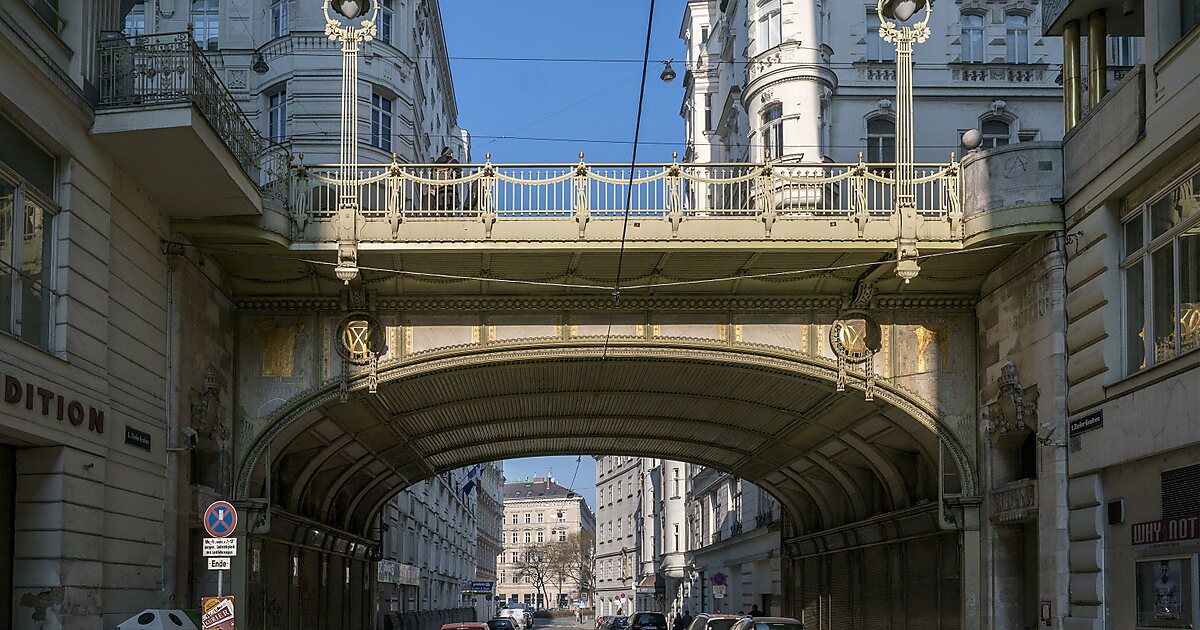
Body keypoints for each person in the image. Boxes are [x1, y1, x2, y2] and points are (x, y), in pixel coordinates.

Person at [431, 146, 461, 214]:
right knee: (450, 210)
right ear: (450, 154)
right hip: (450, 190)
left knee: (440, 208)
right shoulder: (453, 162)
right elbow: (459, 174)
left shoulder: (436, 163)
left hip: (439, 190)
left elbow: (431, 175)